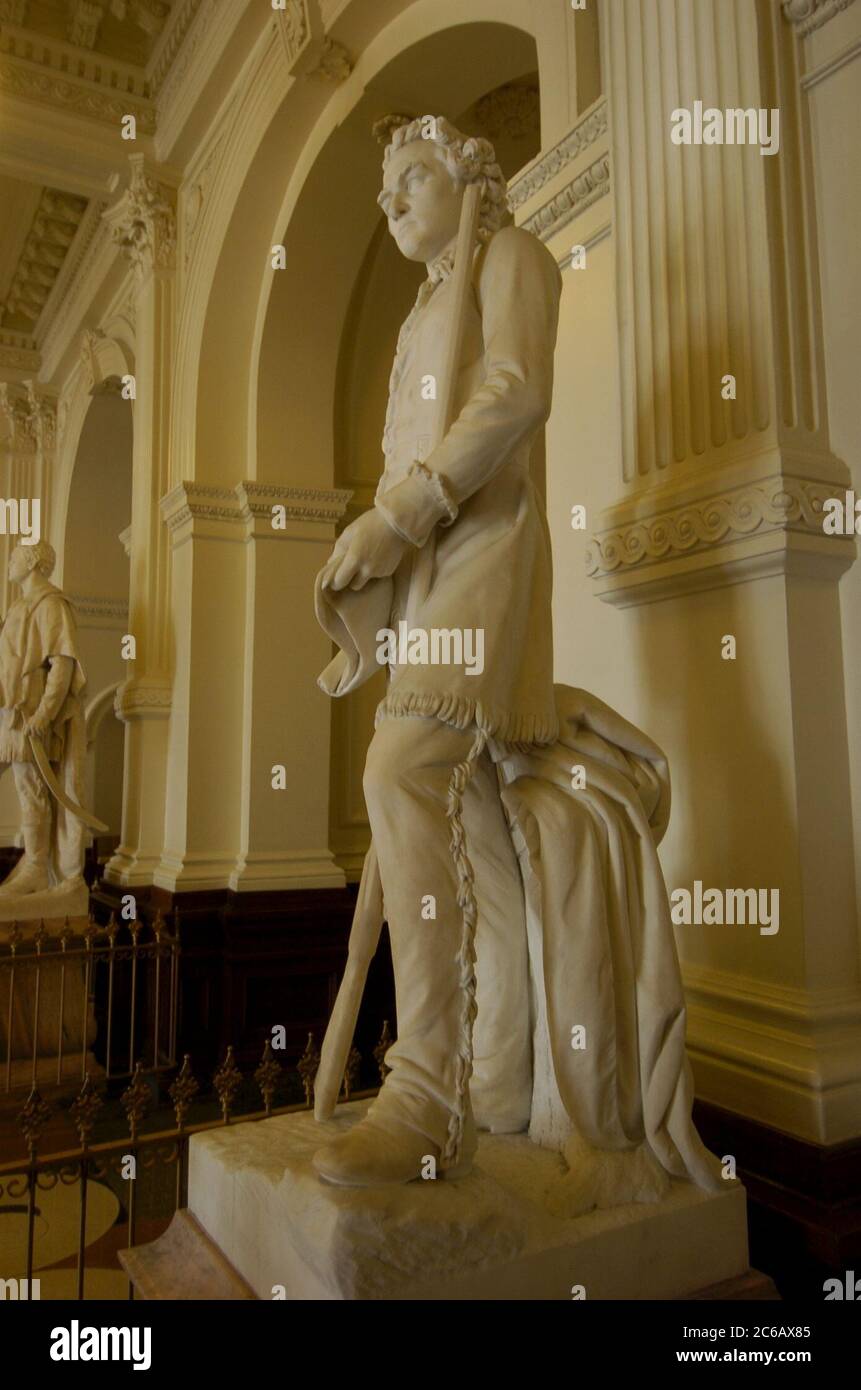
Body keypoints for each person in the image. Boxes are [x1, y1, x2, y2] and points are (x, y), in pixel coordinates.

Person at [312, 117, 722, 1206]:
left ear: (468, 179)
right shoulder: (415, 310)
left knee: (401, 770)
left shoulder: (512, 258)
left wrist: (398, 515)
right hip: (426, 573)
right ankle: (495, 1078)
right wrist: (381, 547)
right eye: (385, 188)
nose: (391, 202)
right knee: (473, 811)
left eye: (410, 180)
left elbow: (514, 395)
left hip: (484, 559)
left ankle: (423, 1092)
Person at [0, 539, 87, 896]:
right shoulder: (18, 607)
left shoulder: (52, 604)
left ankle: (38, 865)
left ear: (33, 561)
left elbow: (62, 664)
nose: (9, 562)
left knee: (32, 790)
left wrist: (43, 714)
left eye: (15, 556)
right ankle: (34, 861)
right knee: (26, 789)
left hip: (32, 716)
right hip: (11, 713)